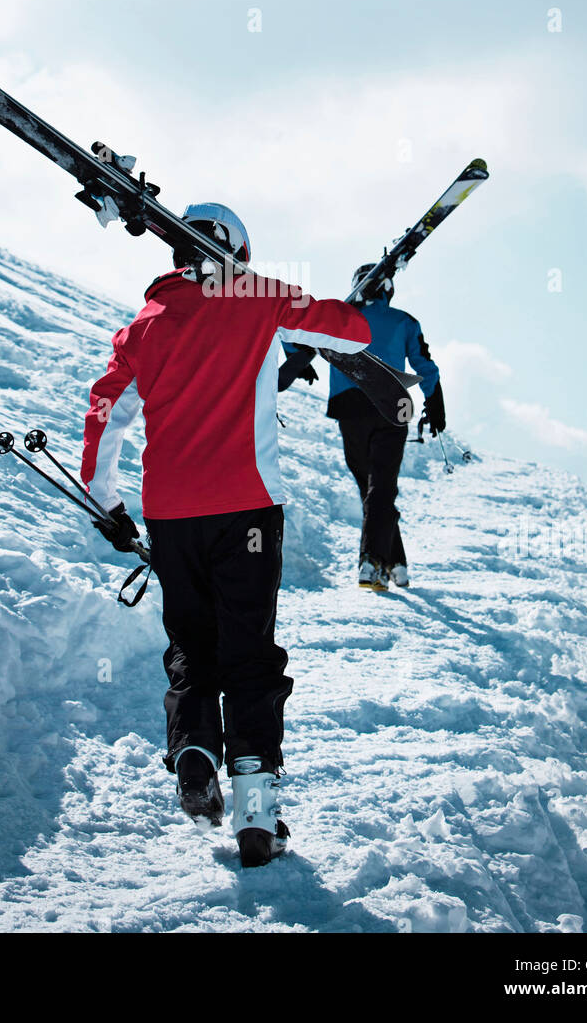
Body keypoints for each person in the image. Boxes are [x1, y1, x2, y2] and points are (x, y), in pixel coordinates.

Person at [80, 202, 371, 867]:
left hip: (171, 515)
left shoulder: (144, 326)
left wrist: (107, 500)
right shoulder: (259, 299)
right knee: (249, 653)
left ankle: (192, 755)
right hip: (246, 510)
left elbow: (105, 412)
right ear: (238, 250)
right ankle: (257, 817)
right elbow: (350, 333)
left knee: (191, 645)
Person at [328, 264, 445, 592]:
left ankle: (377, 562)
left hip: (348, 406)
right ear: (387, 289)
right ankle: (392, 562)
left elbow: (297, 339)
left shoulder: (339, 317)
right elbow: (425, 365)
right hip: (392, 406)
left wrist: (295, 363)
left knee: (372, 489)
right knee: (381, 486)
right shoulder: (404, 321)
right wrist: (435, 402)